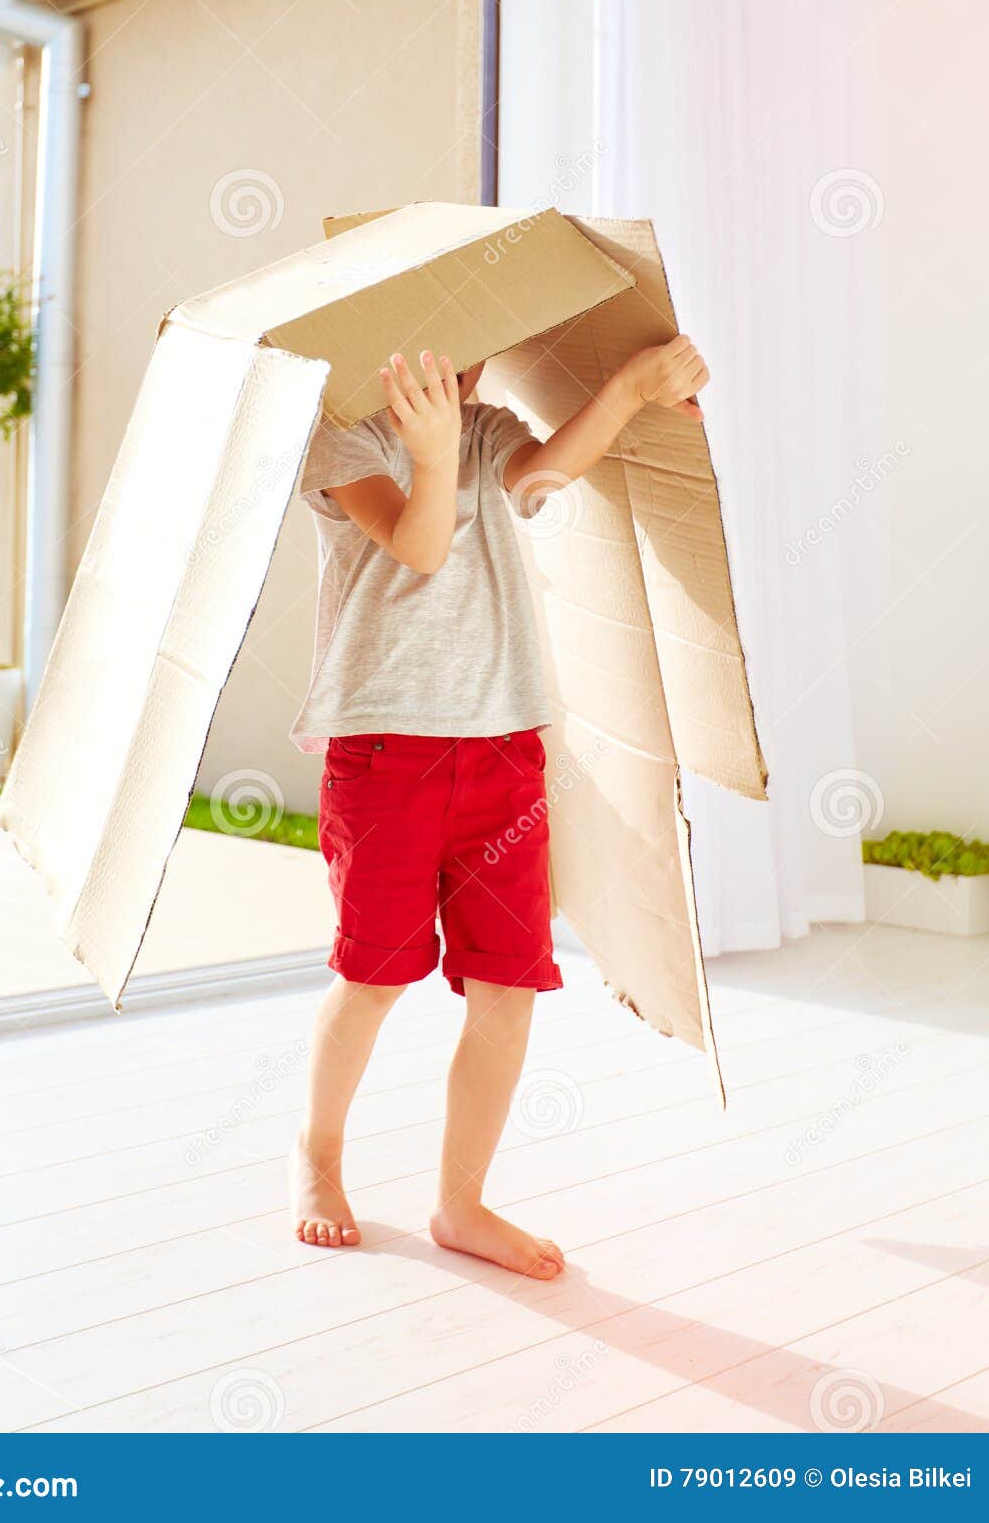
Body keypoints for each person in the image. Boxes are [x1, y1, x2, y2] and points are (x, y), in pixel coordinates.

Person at [288, 338, 708, 1278]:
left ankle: (461, 1202)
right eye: (445, 355)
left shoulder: (482, 433)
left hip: (503, 750)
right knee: (375, 974)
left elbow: (553, 465)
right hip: (385, 749)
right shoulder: (343, 439)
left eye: (479, 356)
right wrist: (432, 455)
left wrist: (634, 385)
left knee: (509, 985)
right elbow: (419, 544)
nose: (465, 377)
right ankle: (316, 1156)